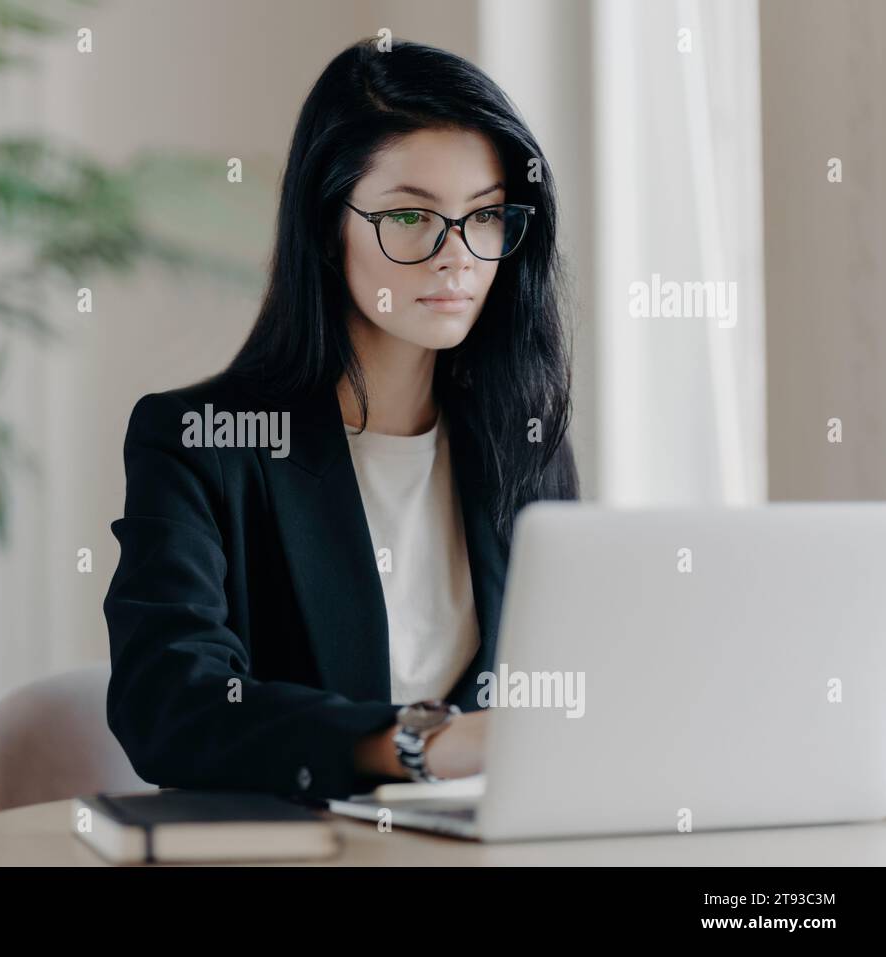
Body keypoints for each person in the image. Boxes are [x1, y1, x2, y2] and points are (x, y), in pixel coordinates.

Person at [103, 37, 579, 801]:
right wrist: (426, 747)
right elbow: (170, 706)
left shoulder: (521, 441)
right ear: (329, 228)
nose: (455, 256)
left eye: (485, 216)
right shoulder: (200, 444)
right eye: (411, 216)